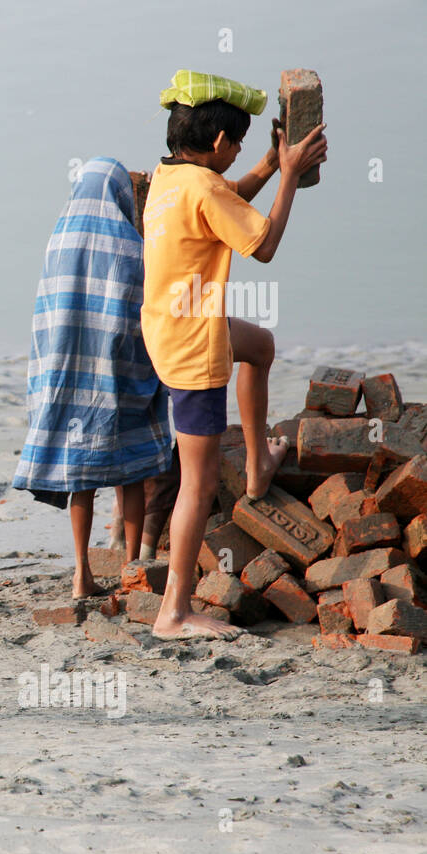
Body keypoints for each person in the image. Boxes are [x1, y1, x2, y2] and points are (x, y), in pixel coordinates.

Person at [140, 70, 327, 639]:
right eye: (240, 144)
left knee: (261, 347)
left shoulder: (171, 179)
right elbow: (263, 246)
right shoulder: (202, 187)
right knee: (195, 485)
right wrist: (291, 176)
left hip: (172, 326)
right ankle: (174, 612)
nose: (242, 151)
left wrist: (270, 164)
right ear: (219, 143)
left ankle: (254, 466)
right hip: (193, 349)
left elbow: (224, 202)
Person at [14, 157, 173, 599]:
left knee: (81, 479)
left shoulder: (58, 241)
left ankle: (81, 574)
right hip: (121, 378)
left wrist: (46, 379)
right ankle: (130, 572)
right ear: (119, 194)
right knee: (131, 473)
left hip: (71, 380)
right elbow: (141, 311)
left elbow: (46, 314)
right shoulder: (131, 245)